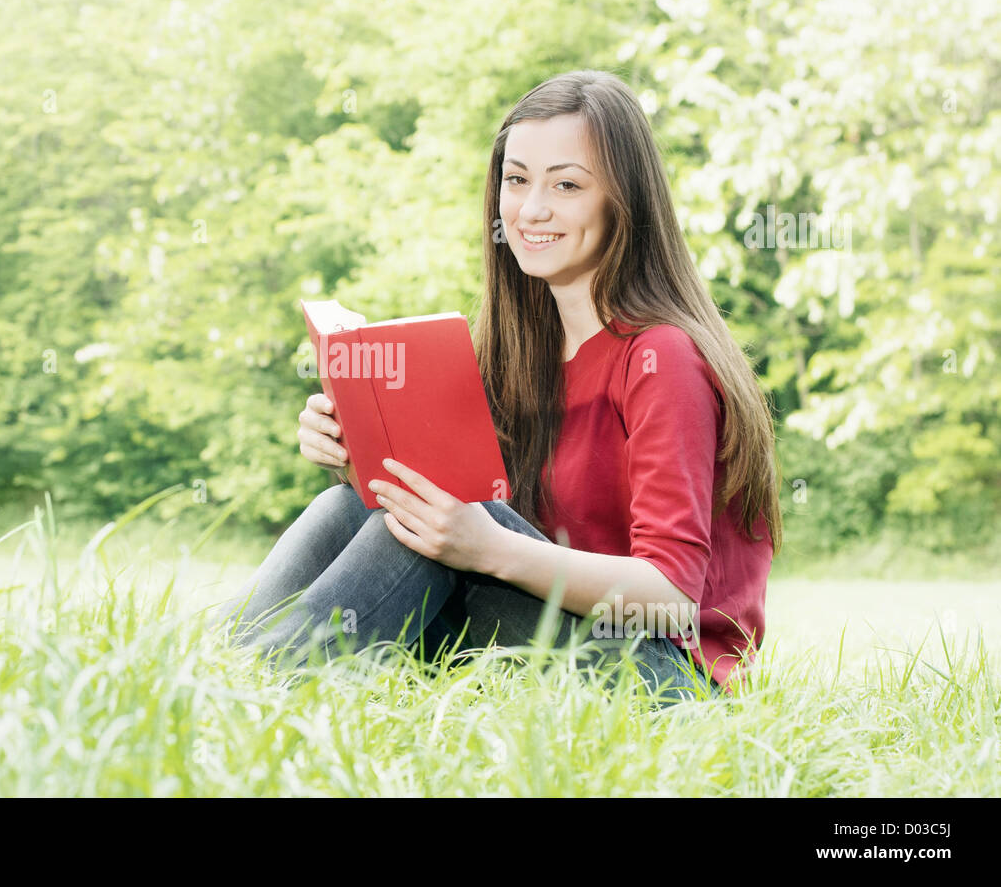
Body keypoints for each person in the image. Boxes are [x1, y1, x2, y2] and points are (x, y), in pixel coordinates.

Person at [208, 70, 782, 706]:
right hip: (549, 633)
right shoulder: (520, 350)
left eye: (566, 184)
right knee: (354, 507)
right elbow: (478, 512)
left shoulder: (662, 356)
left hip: (668, 685)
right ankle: (212, 670)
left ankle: (241, 697)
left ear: (623, 200)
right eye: (517, 180)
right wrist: (359, 456)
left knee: (436, 527)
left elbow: (671, 598)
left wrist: (488, 548)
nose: (532, 208)